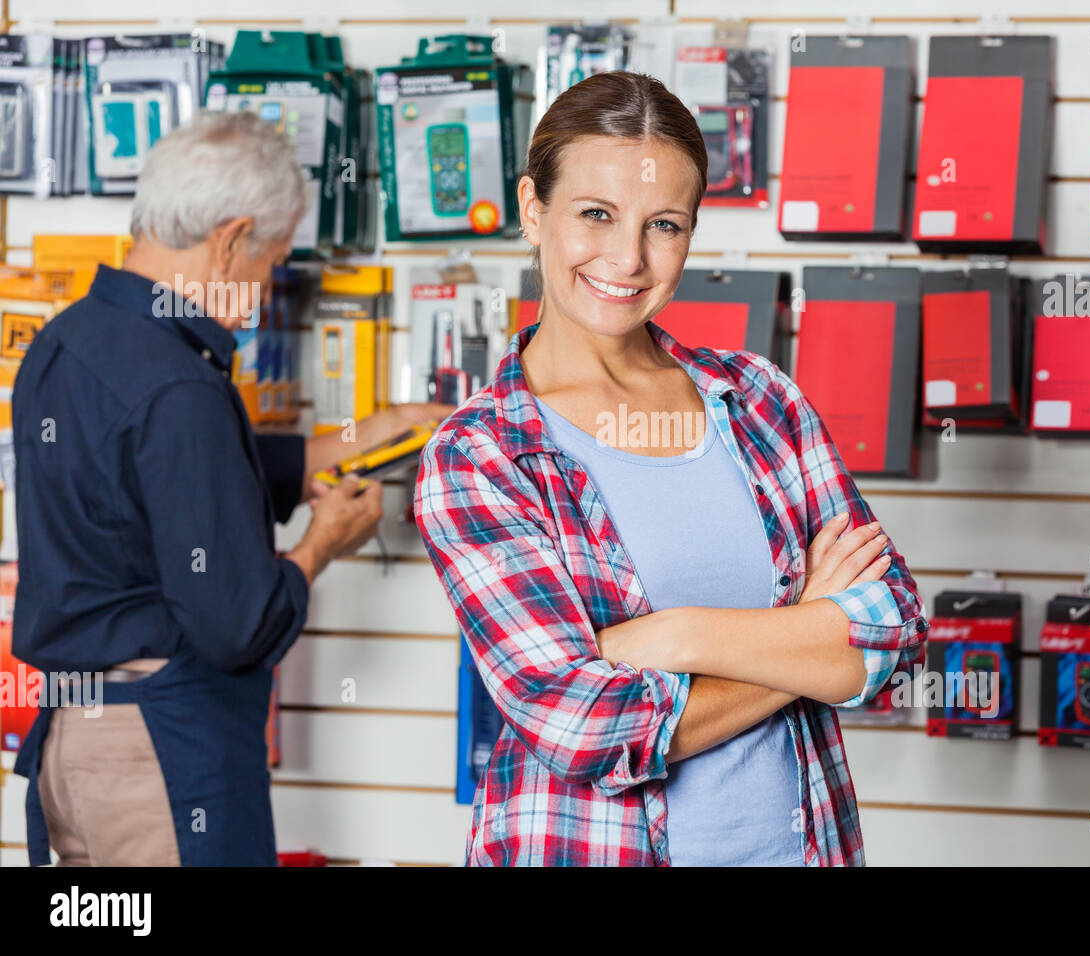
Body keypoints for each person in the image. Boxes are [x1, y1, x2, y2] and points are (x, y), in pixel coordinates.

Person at [414, 71, 929, 867]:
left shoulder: (759, 401)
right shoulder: (480, 455)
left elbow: (893, 626)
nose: (627, 257)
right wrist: (808, 642)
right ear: (531, 209)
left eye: (663, 224)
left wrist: (673, 636)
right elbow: (585, 726)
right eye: (595, 215)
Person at [11, 110, 452, 866]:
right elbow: (236, 624)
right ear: (228, 240)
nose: (266, 287)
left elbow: (156, 490)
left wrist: (370, 431)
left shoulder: (64, 343)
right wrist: (320, 547)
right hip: (163, 754)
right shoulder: (182, 387)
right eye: (273, 261)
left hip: (76, 747)